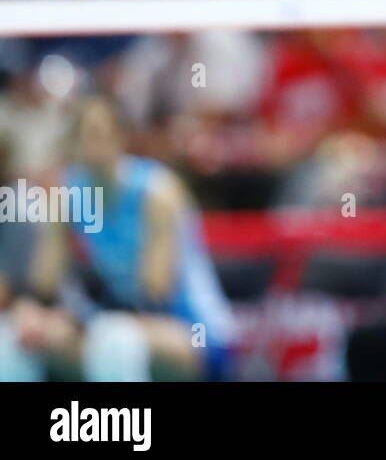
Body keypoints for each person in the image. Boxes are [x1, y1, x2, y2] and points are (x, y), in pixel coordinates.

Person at [5, 96, 235, 381]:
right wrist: (33, 312)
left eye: (98, 134)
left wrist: (82, 320)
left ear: (121, 137)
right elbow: (44, 283)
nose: (91, 146)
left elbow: (154, 292)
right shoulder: (72, 195)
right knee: (17, 337)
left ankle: (126, 424)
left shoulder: (157, 193)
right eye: (81, 135)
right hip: (114, 321)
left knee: (116, 341)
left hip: (191, 332)